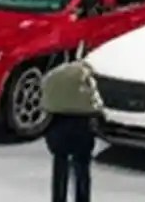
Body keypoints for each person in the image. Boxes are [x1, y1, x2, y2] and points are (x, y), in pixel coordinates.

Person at [41, 57, 102, 202]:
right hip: (81, 127)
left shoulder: (53, 77)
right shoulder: (85, 77)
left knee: (60, 165)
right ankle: (82, 198)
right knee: (82, 167)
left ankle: (58, 198)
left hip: (58, 126)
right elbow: (96, 104)